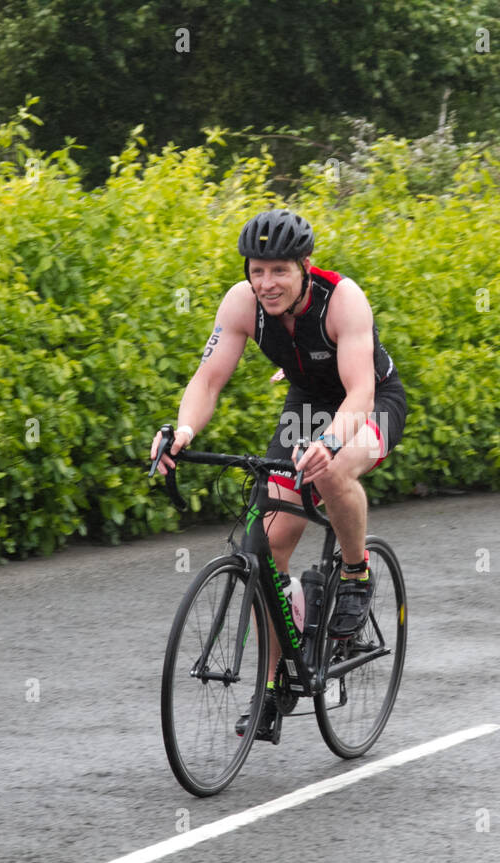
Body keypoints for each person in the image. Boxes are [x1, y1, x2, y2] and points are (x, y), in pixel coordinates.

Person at [150, 209, 408, 739]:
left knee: (333, 470)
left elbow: (358, 391)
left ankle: (356, 573)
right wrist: (182, 431)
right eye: (257, 270)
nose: (266, 283)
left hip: (370, 402)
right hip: (308, 405)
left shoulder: (344, 300)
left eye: (279, 271)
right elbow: (208, 380)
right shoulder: (241, 303)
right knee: (265, 547)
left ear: (304, 267)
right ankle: (273, 687)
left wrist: (331, 443)